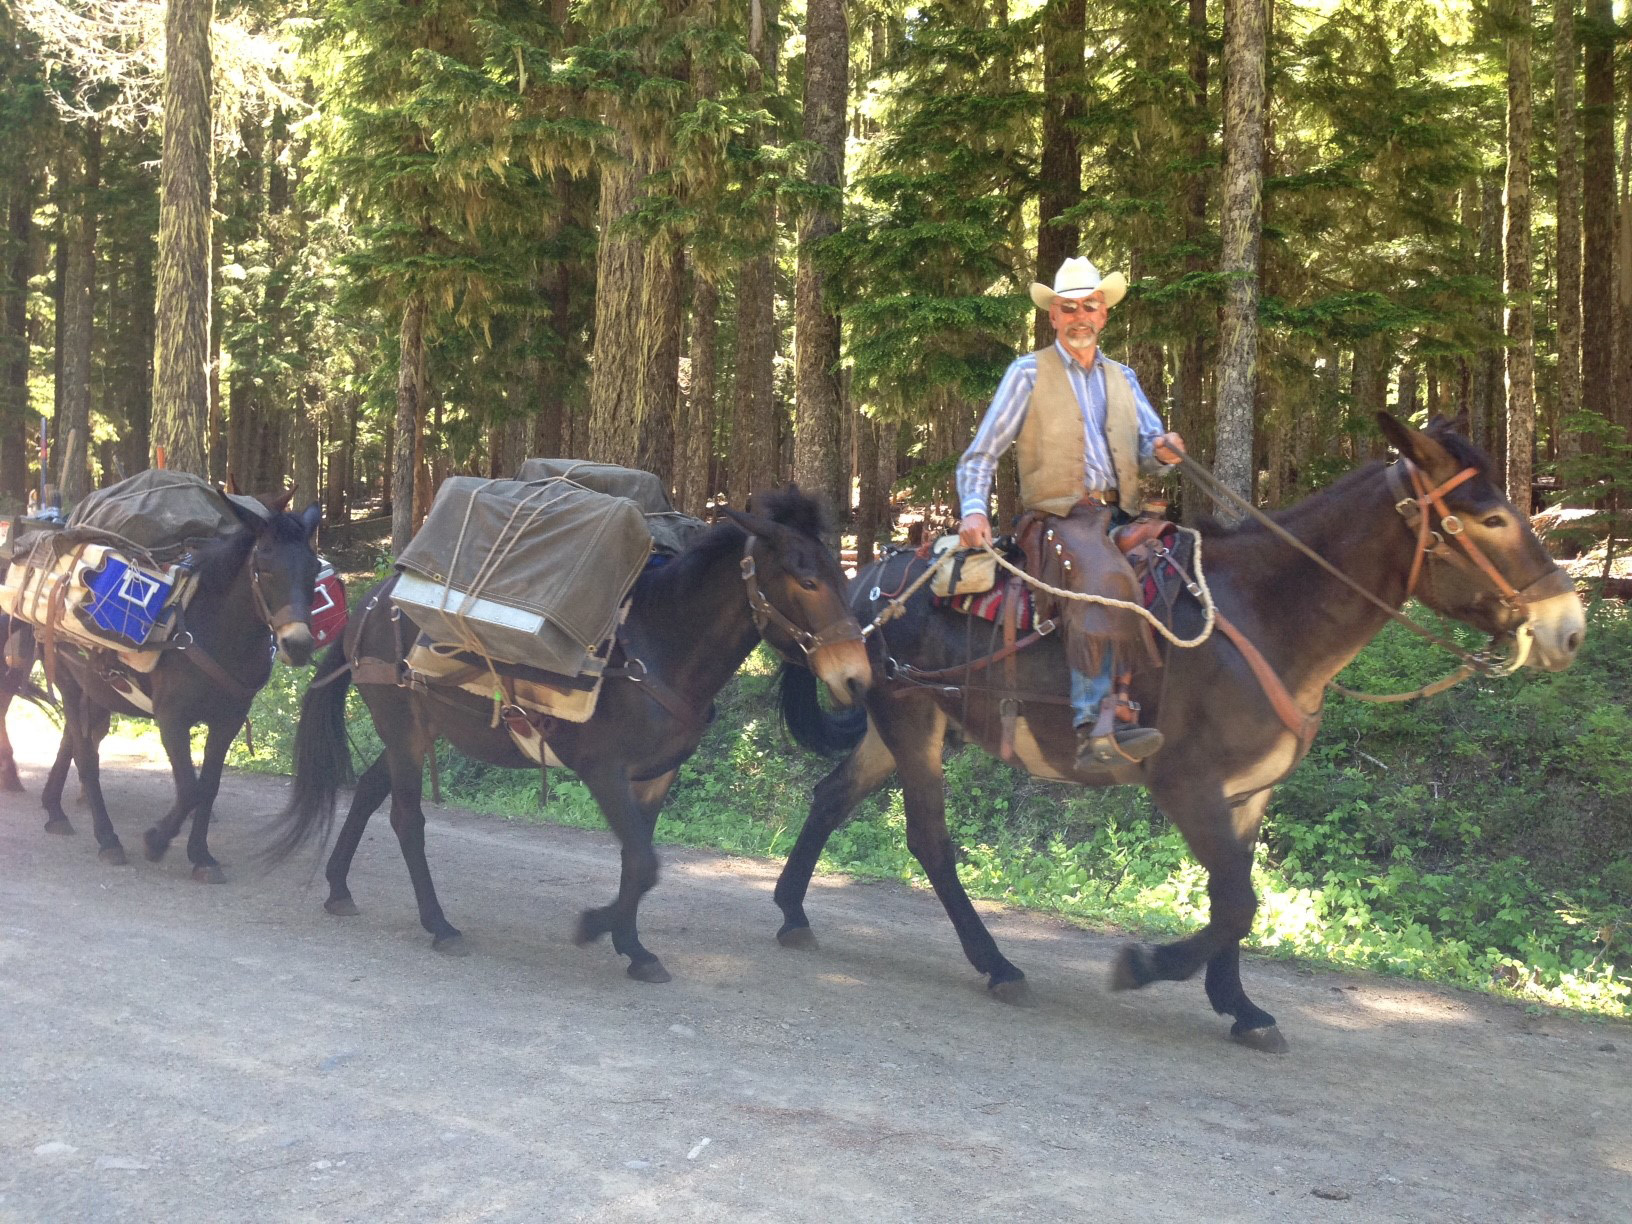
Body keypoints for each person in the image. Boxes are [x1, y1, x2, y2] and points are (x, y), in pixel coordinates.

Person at [956, 256, 1185, 769]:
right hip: (1059, 517)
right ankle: (1094, 723)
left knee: (1185, 562)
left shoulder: (1123, 377)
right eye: (1069, 308)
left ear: (1104, 314)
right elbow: (982, 453)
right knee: (1098, 576)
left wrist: (1164, 450)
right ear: (1053, 316)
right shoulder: (1027, 372)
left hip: (1120, 513)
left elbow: (1150, 447)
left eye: (1090, 306)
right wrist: (974, 510)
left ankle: (1184, 702)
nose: (1080, 316)